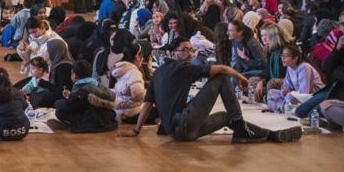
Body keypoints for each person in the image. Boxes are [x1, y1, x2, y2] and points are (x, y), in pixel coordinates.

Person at [122, 36, 301, 143]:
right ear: (173, 53)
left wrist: (137, 130)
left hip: (179, 134)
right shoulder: (183, 67)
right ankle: (240, 125)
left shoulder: (158, 72)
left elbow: (147, 103)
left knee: (226, 117)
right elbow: (222, 69)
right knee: (222, 78)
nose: (190, 54)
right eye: (185, 50)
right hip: (183, 124)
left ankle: (271, 136)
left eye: (191, 50)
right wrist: (240, 77)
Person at [51, 60, 118, 133]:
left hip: (93, 120)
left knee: (59, 111)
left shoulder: (82, 87)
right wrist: (71, 95)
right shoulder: (95, 84)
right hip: (107, 119)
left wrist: (56, 103)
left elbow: (70, 104)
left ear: (75, 75)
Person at [111, 42, 146, 123]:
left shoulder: (119, 68)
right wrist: (146, 93)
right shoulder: (134, 72)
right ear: (137, 56)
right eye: (142, 56)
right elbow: (137, 94)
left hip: (118, 111)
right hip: (131, 113)